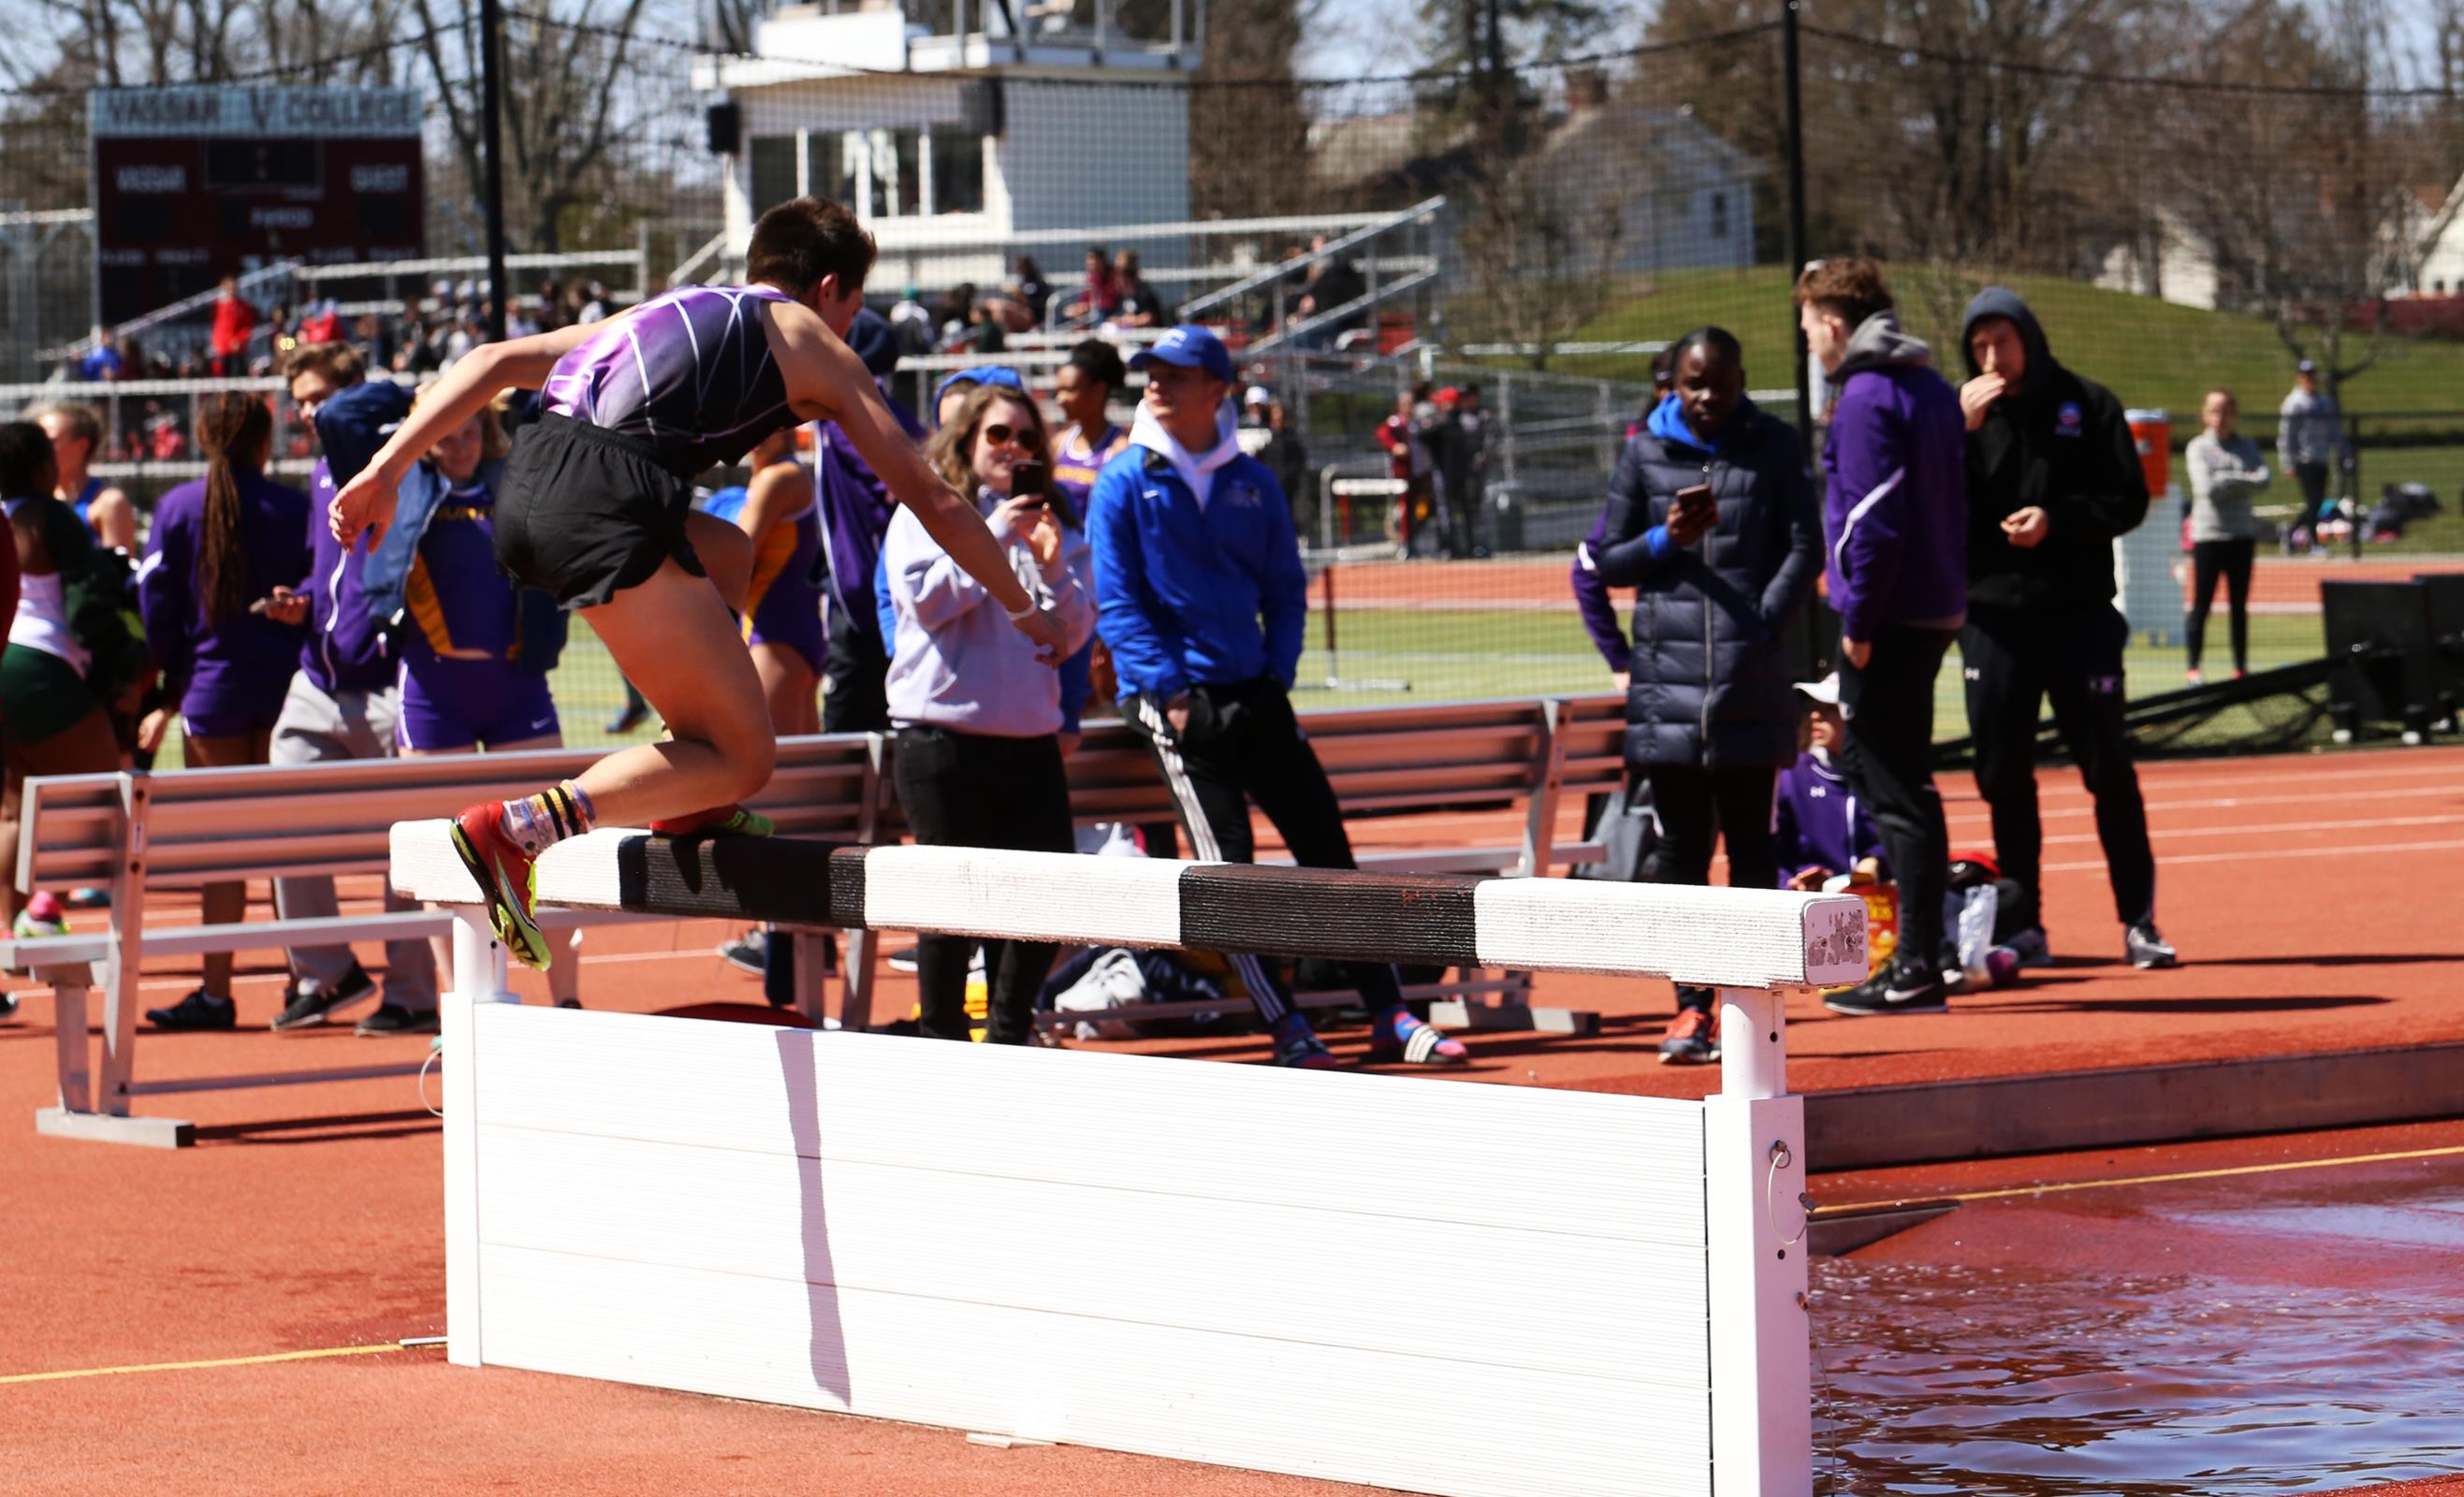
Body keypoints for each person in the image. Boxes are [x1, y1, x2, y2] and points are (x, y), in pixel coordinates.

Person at [328, 196, 1066, 974]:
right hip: (604, 500)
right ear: (828, 289)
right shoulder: (806, 335)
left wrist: (383, 471)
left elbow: (489, 363)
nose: (848, 328)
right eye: (852, 307)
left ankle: (691, 792)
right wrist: (1026, 610)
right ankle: (520, 830)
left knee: (726, 551)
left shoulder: (666, 310)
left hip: (532, 486)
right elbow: (935, 497)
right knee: (750, 758)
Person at [1089, 325, 1467, 1070]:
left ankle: (1388, 1012)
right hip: (1176, 705)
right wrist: (1168, 697)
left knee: (1328, 853)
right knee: (1229, 874)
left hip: (1256, 693)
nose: (1155, 383)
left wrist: (1278, 671)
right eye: (1150, 372)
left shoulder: (1251, 481)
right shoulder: (1123, 481)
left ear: (1216, 389)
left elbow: (1285, 591)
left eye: (1175, 372)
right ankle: (1286, 1025)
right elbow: (1119, 603)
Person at [1575, 327, 1820, 1064]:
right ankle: (1688, 1009)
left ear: (1742, 378)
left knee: (1750, 850)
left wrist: (1765, 625)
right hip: (1668, 692)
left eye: (1720, 381)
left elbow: (1803, 543)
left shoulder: (1772, 445)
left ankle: (1742, 1003)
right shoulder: (1643, 451)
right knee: (1680, 853)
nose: (1707, 396)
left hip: (1749, 681)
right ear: (1673, 385)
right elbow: (1608, 562)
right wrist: (1665, 540)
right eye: (1692, 382)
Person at [1956, 287, 2174, 972]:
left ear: (2029, 338)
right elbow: (1931, 508)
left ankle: (2138, 921)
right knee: (2001, 776)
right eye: (1979, 346)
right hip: (1992, 623)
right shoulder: (1960, 417)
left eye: (2003, 342)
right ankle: (2025, 927)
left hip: (2078, 618)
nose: (1992, 357)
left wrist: (2056, 520)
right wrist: (1954, 435)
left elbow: (2128, 499)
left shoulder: (2089, 403)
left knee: (2107, 768)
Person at [884, 383, 1095, 1044]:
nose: (1014, 449)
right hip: (941, 739)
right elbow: (925, 604)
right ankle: (942, 1040)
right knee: (952, 907)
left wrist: (1054, 569)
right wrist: (990, 539)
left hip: (1028, 741)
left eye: (1028, 438)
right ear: (968, 441)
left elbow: (1071, 632)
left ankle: (1008, 1035)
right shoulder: (926, 514)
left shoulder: (1048, 523)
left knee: (1042, 900)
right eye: (998, 435)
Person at [1791, 257, 1970, 1015]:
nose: (1808, 344)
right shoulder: (1929, 387)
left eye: (1807, 330)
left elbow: (1871, 520)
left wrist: (1857, 623)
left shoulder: (1863, 398)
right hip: (1932, 604)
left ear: (1833, 323)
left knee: (1894, 788)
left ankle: (1918, 965)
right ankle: (1927, 956)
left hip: (1889, 615)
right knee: (1904, 784)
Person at [374, 399, 583, 1014]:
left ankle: (567, 1001)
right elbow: (347, 423)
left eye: (469, 432)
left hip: (517, 688)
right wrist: (420, 413)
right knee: (445, 860)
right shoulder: (406, 491)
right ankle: (456, 1011)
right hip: (435, 693)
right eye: (445, 435)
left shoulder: (515, 483)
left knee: (551, 844)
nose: (459, 446)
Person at [255, 343, 440, 1035]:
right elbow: (325, 570)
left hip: (393, 683)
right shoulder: (316, 474)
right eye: (299, 399)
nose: (306, 412)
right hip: (318, 680)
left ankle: (416, 994)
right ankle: (327, 973)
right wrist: (300, 601)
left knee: (409, 838)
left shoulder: (405, 468)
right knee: (283, 814)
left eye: (319, 398)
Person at [131, 393, 313, 1029]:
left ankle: (215, 991)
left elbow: (155, 602)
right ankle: (305, 983)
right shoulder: (295, 506)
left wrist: (175, 675)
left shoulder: (179, 507)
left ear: (204, 437)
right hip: (289, 689)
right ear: (264, 443)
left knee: (224, 848)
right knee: (285, 845)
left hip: (213, 691)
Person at [1, 423, 145, 947]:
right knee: (115, 794)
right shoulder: (52, 516)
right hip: (43, 664)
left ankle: (12, 933)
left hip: (4, 663)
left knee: (14, 808)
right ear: (44, 469)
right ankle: (45, 906)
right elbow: (87, 608)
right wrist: (121, 673)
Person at [813, 308, 920, 735]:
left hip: (862, 589)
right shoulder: (896, 412)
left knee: (844, 722)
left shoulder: (849, 411)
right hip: (891, 588)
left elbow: (897, 483)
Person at [733, 426, 824, 736]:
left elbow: (736, 553)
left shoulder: (777, 479)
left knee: (775, 770)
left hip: (775, 636)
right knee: (803, 768)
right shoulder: (781, 475)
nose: (755, 435)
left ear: (784, 427)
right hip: (792, 631)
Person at [2183, 387, 2269, 684]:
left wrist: (2228, 481)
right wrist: (2242, 479)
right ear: (2205, 415)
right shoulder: (2197, 448)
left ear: (2234, 415)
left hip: (2241, 535)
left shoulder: (2246, 446)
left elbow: (2263, 480)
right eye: (2215, 411)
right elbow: (2207, 490)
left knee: (2238, 605)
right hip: (2209, 536)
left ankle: (2240, 668)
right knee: (2202, 603)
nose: (2220, 417)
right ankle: (2194, 667)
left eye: (2226, 411)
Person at [1771, 675, 1887, 894]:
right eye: (1815, 707)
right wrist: (1791, 883)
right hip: (1811, 902)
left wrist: (1875, 860)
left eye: (1830, 709)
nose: (1815, 715)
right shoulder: (1793, 775)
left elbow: (1904, 841)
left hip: (1878, 902)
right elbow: (1772, 852)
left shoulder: (1884, 776)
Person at [36, 404, 138, 552]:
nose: (40, 449)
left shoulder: (109, 504)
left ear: (81, 447)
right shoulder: (33, 500)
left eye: (50, 441)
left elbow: (117, 572)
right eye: (38, 441)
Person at [2276, 359, 2348, 554]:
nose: (2310, 379)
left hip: (2321, 457)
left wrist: (2343, 452)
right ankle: (2314, 543)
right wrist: (2288, 462)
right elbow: (2286, 435)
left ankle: (2290, 532)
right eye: (2306, 375)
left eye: (2312, 375)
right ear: (2299, 378)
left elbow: (2335, 430)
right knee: (2314, 501)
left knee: (2315, 502)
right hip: (2303, 459)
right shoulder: (2294, 402)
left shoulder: (2324, 402)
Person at [1436, 384, 1492, 557]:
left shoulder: (1484, 416)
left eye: (1468, 397)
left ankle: (1478, 546)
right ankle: (1452, 548)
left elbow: (1489, 442)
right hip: (1455, 473)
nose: (1464, 401)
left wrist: (1479, 461)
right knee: (1451, 511)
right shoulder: (1454, 417)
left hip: (1477, 473)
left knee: (1475, 510)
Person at [209, 276, 258, 377]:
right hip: (222, 350)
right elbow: (217, 328)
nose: (231, 290)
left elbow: (247, 327)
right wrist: (218, 343)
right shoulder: (217, 305)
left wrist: (239, 340)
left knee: (238, 376)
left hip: (237, 350)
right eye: (228, 287)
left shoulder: (243, 306)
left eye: (233, 287)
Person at [1112, 250, 1170, 329]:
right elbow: (1115, 317)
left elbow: (1149, 318)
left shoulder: (1144, 292)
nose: (1118, 281)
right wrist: (1122, 320)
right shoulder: (1121, 295)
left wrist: (1133, 320)